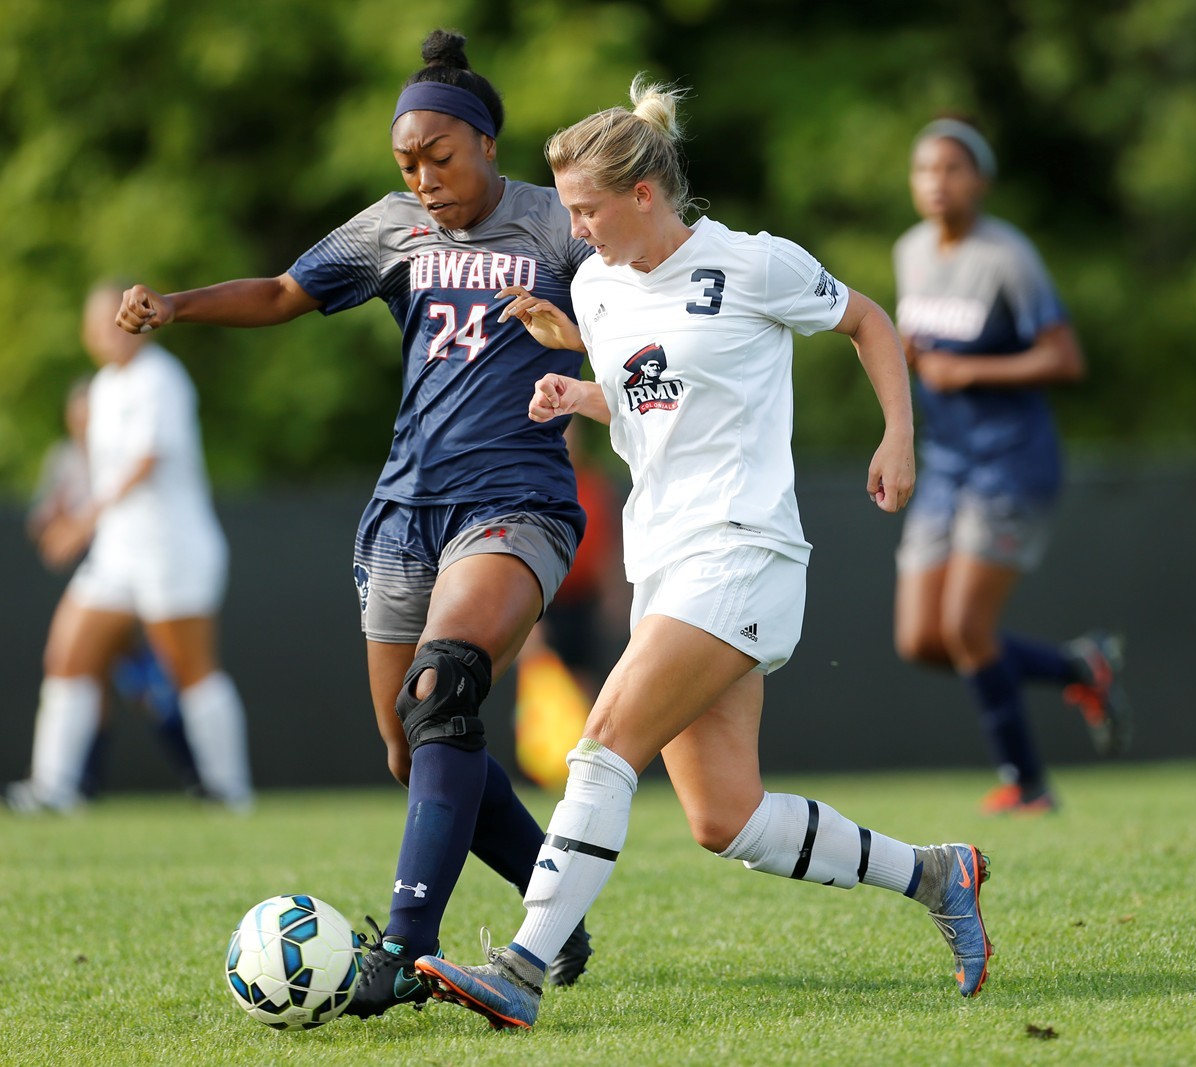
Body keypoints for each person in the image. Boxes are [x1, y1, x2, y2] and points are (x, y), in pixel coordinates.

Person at [413, 76, 994, 1032]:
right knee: (726, 818)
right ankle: (936, 874)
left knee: (603, 742)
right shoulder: (597, 286)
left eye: (587, 210)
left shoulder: (753, 264)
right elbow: (650, 393)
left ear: (644, 194)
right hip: (665, 561)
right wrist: (579, 389)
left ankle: (521, 965)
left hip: (743, 548)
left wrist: (900, 435)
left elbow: (868, 321)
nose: (576, 230)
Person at [112, 30, 595, 1017]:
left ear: (487, 142)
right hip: (403, 512)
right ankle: (555, 899)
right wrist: (177, 306)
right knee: (413, 746)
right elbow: (284, 293)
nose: (422, 179)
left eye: (438, 157)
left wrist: (587, 343)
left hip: (517, 501)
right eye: (407, 163)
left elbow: (645, 321)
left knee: (441, 688)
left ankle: (404, 950)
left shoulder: (558, 227)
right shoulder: (391, 228)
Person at [890, 117, 1130, 816]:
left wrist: (970, 370)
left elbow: (1065, 357)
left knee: (967, 629)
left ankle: (1028, 784)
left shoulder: (1007, 257)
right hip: (946, 462)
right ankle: (1077, 666)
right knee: (922, 639)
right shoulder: (910, 250)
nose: (937, 182)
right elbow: (918, 344)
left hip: (1010, 461)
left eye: (952, 168)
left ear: (981, 180)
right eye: (925, 169)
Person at [6, 283, 250, 815]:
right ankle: (53, 789)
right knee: (68, 656)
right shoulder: (101, 387)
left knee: (191, 670)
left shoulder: (161, 377)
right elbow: (102, 473)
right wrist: (71, 515)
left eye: (119, 318)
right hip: (118, 553)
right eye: (99, 323)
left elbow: (145, 461)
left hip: (172, 548)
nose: (111, 330)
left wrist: (81, 524)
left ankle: (229, 791)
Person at [22, 378, 201, 800]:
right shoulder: (64, 460)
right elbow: (44, 523)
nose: (82, 427)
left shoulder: (126, 454)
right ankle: (76, 781)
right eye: (76, 420)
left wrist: (83, 524)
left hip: (146, 577)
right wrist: (54, 523)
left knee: (154, 684)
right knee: (85, 675)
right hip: (100, 581)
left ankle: (201, 773)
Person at [514, 420, 628, 790]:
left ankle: (586, 767)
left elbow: (607, 544)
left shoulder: (593, 483)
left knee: (586, 682)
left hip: (583, 599)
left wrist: (613, 594)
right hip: (545, 599)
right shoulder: (529, 481)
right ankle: (543, 766)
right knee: (543, 681)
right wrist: (527, 614)